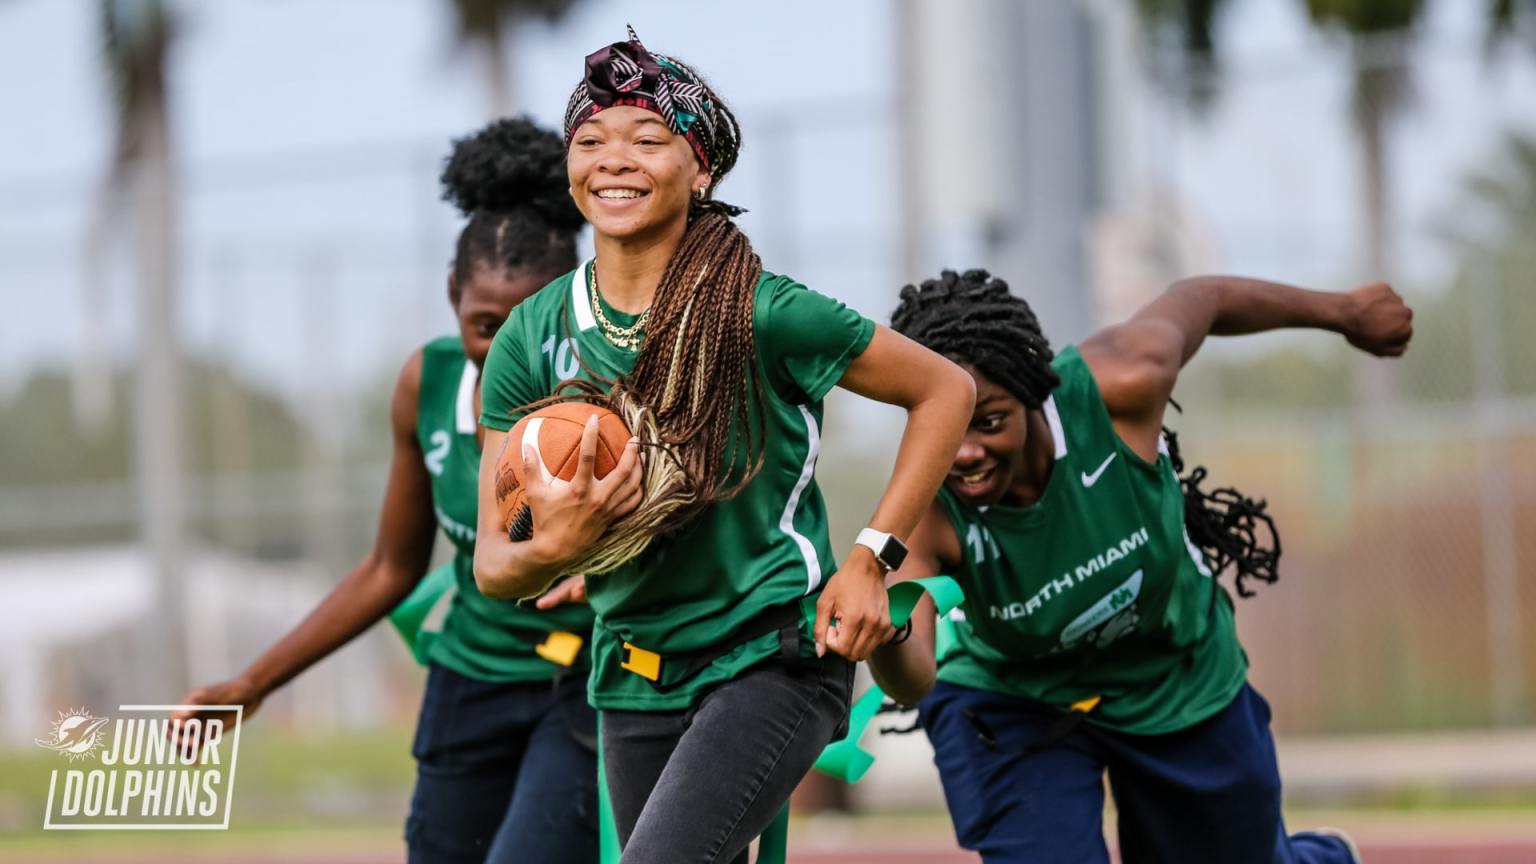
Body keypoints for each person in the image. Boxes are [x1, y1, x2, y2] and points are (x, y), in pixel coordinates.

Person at [471, 27, 975, 864]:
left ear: (701, 169)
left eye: (648, 138)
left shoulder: (763, 311)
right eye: (590, 140)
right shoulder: (533, 335)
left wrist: (871, 557)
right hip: (631, 668)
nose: (613, 159)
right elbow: (496, 565)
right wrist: (552, 547)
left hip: (769, 657)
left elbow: (944, 390)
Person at [868, 268, 1413, 863]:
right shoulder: (922, 507)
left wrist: (1344, 312)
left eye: (990, 420)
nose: (965, 452)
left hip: (1171, 673)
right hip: (1013, 698)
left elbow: (1206, 297)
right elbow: (913, 674)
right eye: (944, 427)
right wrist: (887, 632)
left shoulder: (1122, 384)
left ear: (1031, 392)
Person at [174, 118, 598, 864]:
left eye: (529, 322)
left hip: (583, 688)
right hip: (468, 683)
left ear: (571, 301)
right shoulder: (424, 384)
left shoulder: (607, 400)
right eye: (483, 325)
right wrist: (254, 682)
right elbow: (388, 569)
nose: (506, 349)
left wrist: (606, 562)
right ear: (451, 296)